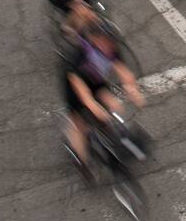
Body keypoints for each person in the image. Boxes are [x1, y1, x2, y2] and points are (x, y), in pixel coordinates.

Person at [61, 20, 144, 175]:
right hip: (76, 88)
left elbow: (124, 72)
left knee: (112, 108)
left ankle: (108, 134)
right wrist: (93, 106)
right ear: (94, 41)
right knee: (79, 125)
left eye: (111, 42)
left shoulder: (112, 49)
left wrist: (133, 90)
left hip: (97, 82)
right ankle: (81, 160)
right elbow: (83, 93)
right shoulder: (79, 56)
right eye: (105, 42)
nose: (109, 47)